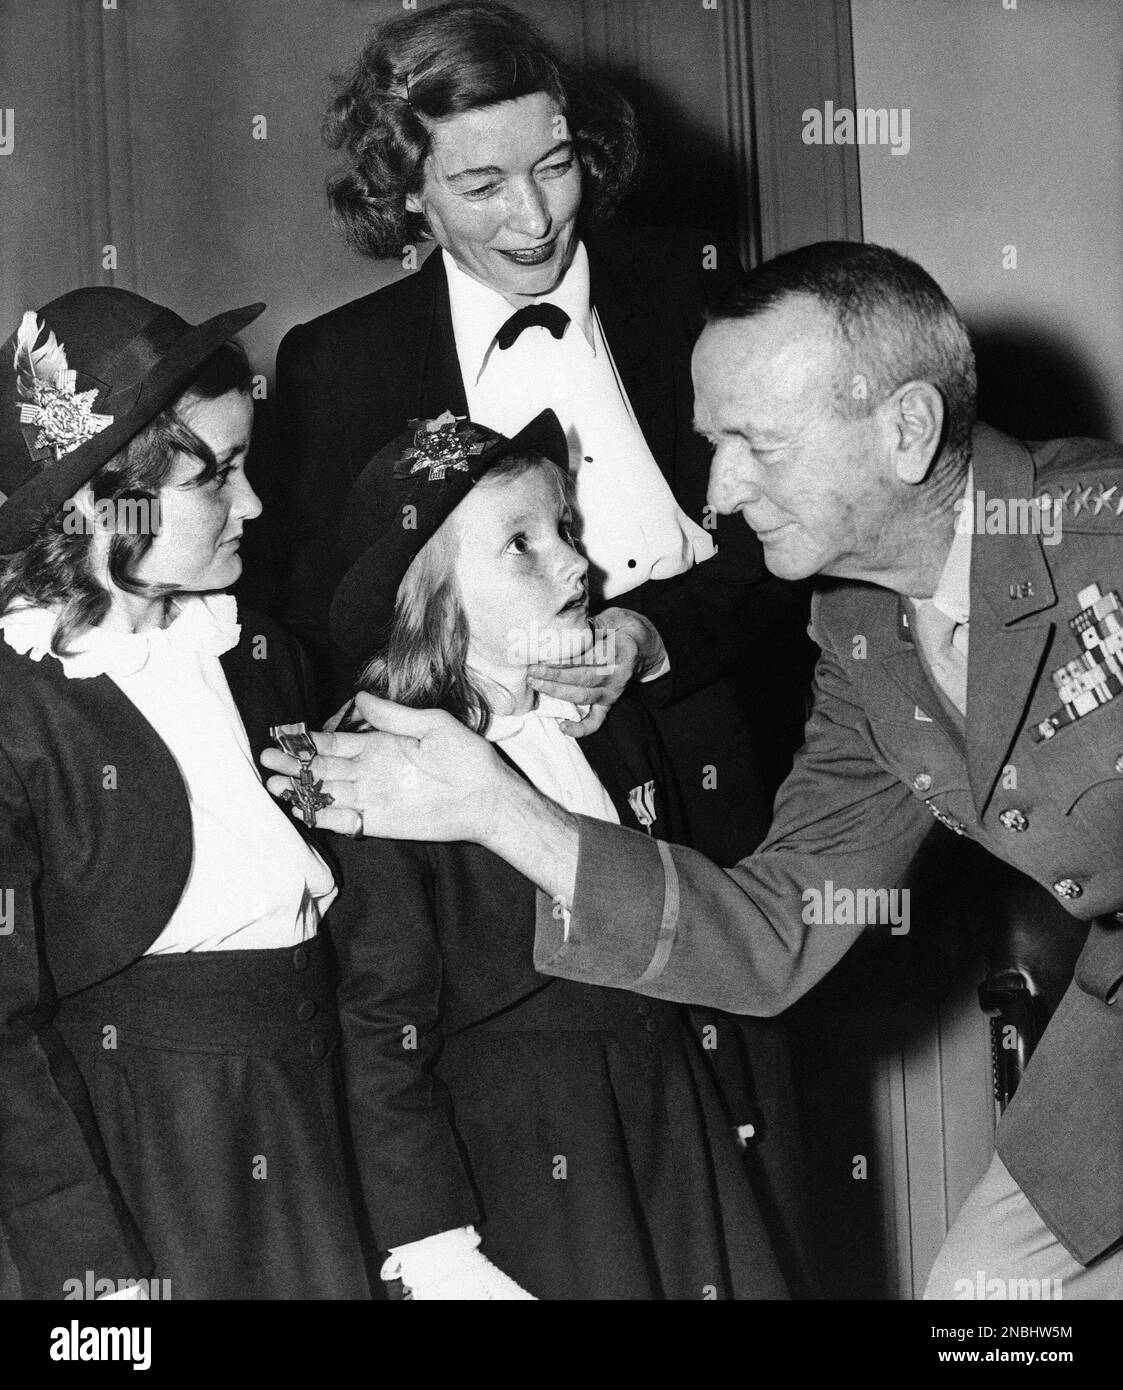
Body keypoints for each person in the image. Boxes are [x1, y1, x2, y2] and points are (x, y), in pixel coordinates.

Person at [262, 241, 1123, 1300]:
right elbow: (774, 934)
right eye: (712, 444)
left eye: (754, 444)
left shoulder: (1101, 534)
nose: (715, 492)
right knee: (984, 1297)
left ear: (904, 430)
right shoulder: (860, 635)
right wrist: (496, 808)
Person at [275, 0, 816, 1282]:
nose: (532, 217)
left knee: (749, 1208)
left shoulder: (689, 287)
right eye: (476, 184)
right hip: (492, 866)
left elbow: (788, 549)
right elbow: (322, 630)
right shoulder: (334, 365)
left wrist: (650, 638)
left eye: (555, 164)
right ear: (403, 194)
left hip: (727, 801)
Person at [324, 407, 789, 1300]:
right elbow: (380, 1035)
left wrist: (720, 1100)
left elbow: (675, 927)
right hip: (527, 1166)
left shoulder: (608, 729)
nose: (577, 562)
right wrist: (432, 1247)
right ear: (432, 596)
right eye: (522, 544)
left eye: (566, 529)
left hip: (668, 1123)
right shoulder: (383, 779)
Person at [0, 288, 372, 1300]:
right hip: (148, 1162)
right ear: (100, 504)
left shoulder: (256, 652)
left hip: (308, 1108)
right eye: (217, 476)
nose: (253, 506)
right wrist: (91, 1267)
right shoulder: (20, 706)